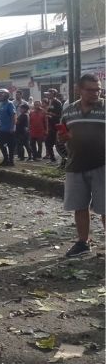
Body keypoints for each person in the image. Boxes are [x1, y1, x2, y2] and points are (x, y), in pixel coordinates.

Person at [58, 74, 104, 258]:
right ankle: (83, 242)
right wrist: (63, 142)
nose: (96, 93)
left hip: (103, 165)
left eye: (98, 89)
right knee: (80, 206)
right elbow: (61, 137)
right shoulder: (69, 111)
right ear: (79, 89)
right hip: (76, 165)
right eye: (90, 90)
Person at [0, 88, 17, 166]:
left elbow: (13, 115)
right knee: (1, 144)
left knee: (11, 145)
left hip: (9, 129)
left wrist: (13, 127)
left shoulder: (10, 104)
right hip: (2, 128)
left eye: (1, 95)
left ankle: (11, 160)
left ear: (6, 95)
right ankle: (6, 158)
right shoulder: (1, 104)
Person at [45, 88, 65, 164]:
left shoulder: (57, 102)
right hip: (50, 126)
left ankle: (62, 159)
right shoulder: (50, 102)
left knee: (58, 144)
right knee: (48, 143)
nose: (48, 95)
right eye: (48, 93)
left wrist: (50, 114)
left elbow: (60, 115)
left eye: (49, 93)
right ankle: (53, 159)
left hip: (56, 126)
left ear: (53, 94)